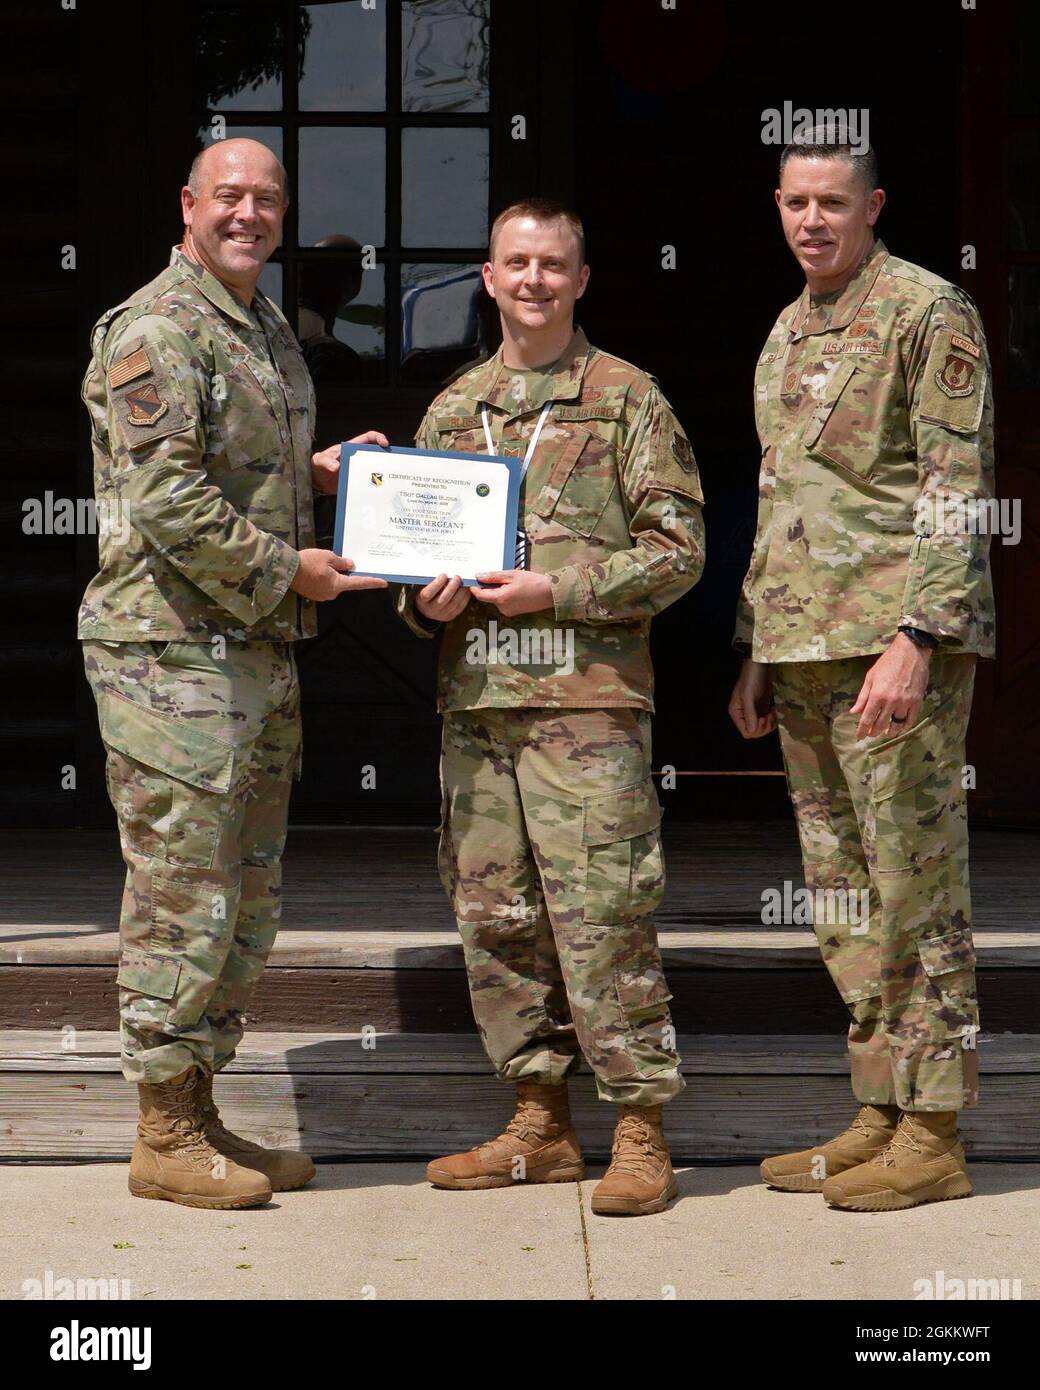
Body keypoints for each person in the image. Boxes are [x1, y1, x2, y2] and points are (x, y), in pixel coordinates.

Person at [79, 138, 388, 1209]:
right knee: (182, 894)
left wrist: (315, 474)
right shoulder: (157, 328)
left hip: (248, 655)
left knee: (244, 896)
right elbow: (165, 500)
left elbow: (228, 466)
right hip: (172, 659)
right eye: (229, 196)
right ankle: (161, 1129)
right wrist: (288, 566)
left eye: (266, 199)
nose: (248, 213)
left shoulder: (254, 324)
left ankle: (198, 1107)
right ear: (189, 205)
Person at [396, 199, 705, 1216]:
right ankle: (538, 1121)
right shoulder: (450, 410)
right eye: (514, 263)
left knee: (604, 912)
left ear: (580, 278)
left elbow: (678, 551)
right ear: (486, 277)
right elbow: (409, 565)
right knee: (496, 917)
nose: (532, 279)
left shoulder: (624, 400)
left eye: (552, 264)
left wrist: (556, 591)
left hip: (587, 708)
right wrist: (421, 598)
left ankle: (639, 1129)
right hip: (478, 706)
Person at [728, 130, 994, 1211]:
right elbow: (779, 491)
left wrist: (919, 637)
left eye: (832, 202)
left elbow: (953, 484)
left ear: (872, 202)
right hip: (798, 649)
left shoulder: (926, 311)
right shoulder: (787, 329)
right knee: (840, 891)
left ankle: (933, 1129)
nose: (811, 221)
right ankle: (878, 1105)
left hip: (890, 650)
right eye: (794, 201)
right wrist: (751, 641)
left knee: (914, 886)